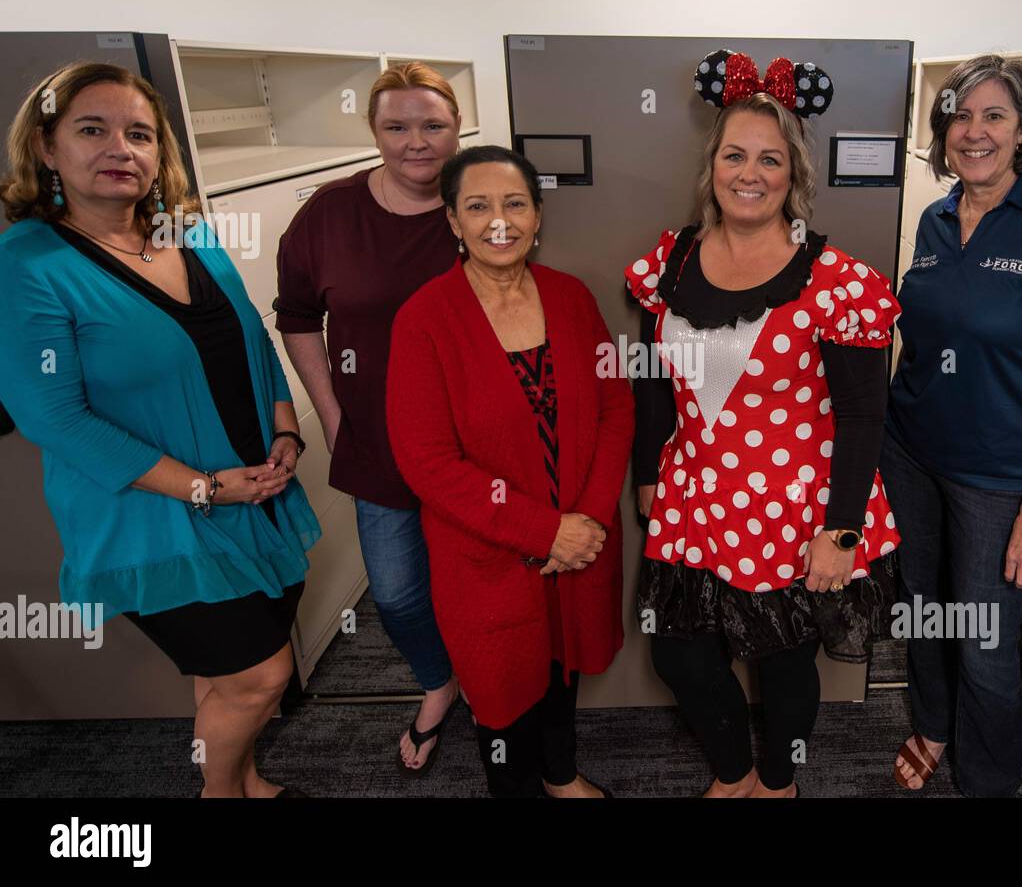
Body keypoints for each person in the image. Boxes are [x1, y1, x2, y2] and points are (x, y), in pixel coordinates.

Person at [0, 62, 319, 797]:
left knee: (222, 676)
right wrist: (206, 487)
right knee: (260, 676)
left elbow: (253, 339)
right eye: (92, 129)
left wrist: (285, 431)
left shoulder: (189, 230)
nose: (121, 147)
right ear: (47, 149)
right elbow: (51, 416)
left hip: (254, 493)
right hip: (153, 516)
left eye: (139, 133)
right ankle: (219, 793)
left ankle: (242, 780)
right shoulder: (29, 262)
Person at [627, 51, 901, 799]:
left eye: (769, 159)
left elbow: (862, 410)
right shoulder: (672, 258)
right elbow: (654, 374)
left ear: (794, 174)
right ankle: (733, 772)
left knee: (782, 660)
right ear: (712, 163)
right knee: (679, 652)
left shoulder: (835, 280)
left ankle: (777, 782)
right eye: (735, 154)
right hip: (693, 496)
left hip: (795, 507)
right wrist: (649, 473)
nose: (750, 172)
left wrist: (842, 528)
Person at [883, 54, 1022, 796]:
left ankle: (988, 777)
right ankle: (932, 720)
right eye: (959, 115)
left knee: (984, 637)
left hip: (999, 477)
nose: (973, 131)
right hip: (910, 451)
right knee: (920, 605)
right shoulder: (935, 217)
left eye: (993, 115)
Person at [387, 145, 633, 798]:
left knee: (562, 667)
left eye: (515, 203)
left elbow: (615, 403)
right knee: (501, 697)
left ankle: (560, 772)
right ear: (452, 221)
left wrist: (588, 518)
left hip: (580, 542)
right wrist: (542, 531)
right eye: (478, 206)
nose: (499, 220)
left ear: (538, 214)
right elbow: (427, 461)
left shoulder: (572, 298)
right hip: (487, 556)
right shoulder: (424, 321)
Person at [274, 62, 462, 775]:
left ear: (456, 128)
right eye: (397, 126)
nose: (417, 141)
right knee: (398, 592)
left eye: (433, 124)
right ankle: (439, 681)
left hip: (479, 445)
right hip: (379, 444)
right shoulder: (329, 212)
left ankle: (498, 689)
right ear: (375, 131)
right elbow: (296, 316)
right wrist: (329, 411)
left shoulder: (479, 201)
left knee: (485, 579)